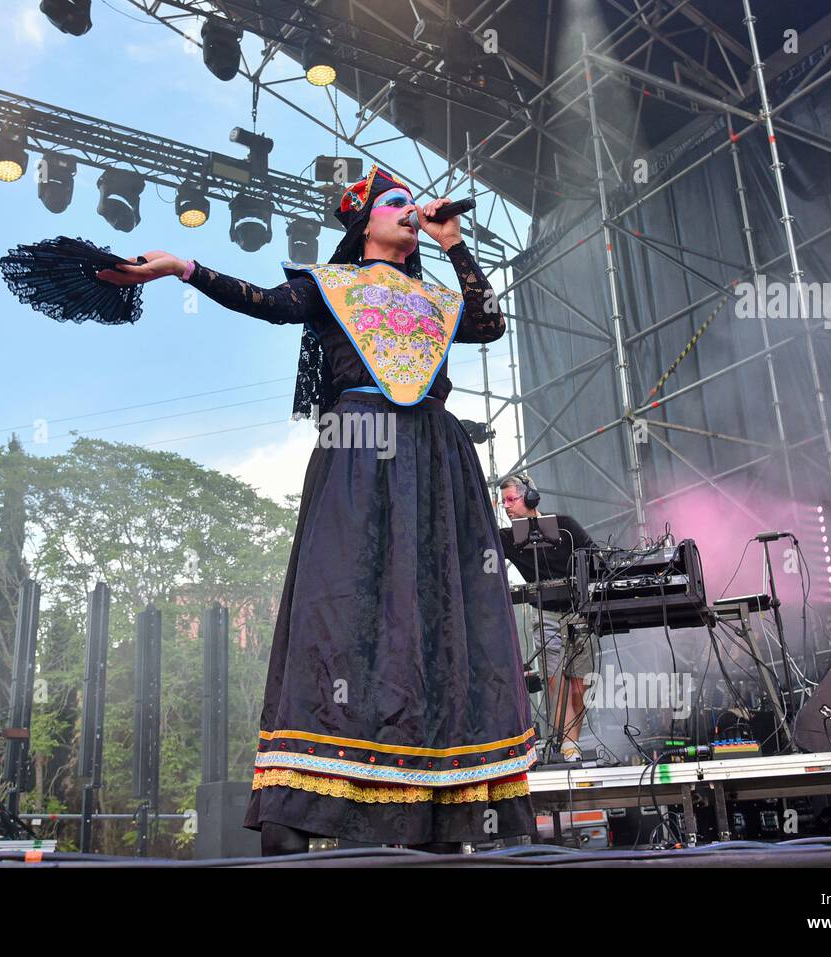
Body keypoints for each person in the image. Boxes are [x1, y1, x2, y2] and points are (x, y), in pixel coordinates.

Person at [98, 164, 538, 855]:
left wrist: (453, 243)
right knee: (340, 611)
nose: (409, 210)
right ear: (363, 222)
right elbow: (266, 302)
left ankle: (441, 803)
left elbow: (488, 322)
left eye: (411, 204)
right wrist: (183, 267)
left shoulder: (433, 296)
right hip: (358, 452)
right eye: (396, 203)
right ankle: (308, 802)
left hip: (436, 459)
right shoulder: (328, 284)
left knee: (435, 616)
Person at [498, 473, 594, 762]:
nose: (506, 506)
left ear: (530, 497)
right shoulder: (507, 538)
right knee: (556, 683)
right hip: (545, 616)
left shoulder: (564, 527)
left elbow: (595, 556)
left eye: (511, 499)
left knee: (580, 686)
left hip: (578, 615)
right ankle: (569, 747)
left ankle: (570, 741)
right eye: (503, 501)